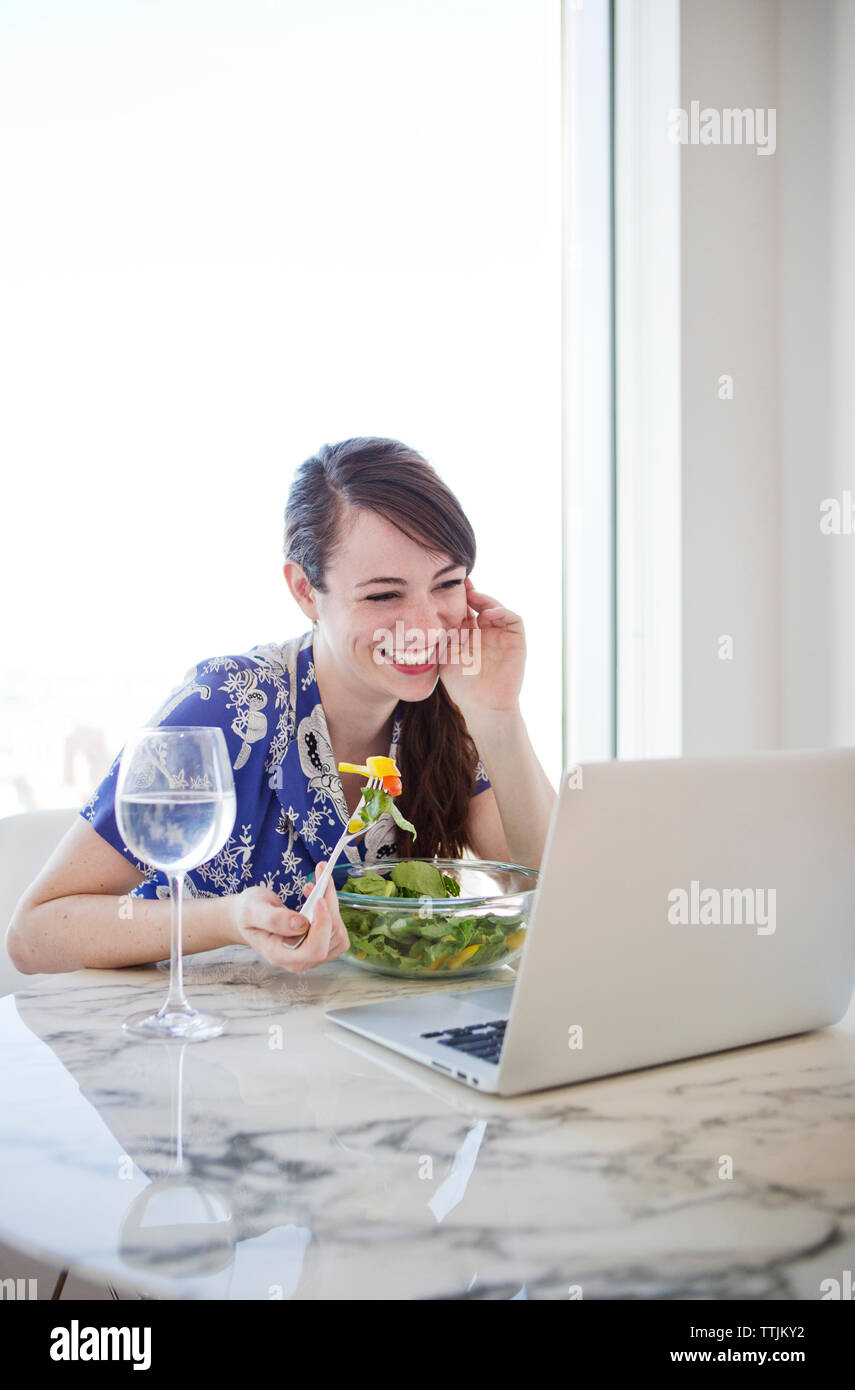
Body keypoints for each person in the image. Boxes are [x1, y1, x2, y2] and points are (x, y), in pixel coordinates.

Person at [7, 437, 556, 975]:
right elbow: (34, 936)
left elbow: (560, 903)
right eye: (383, 595)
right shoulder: (230, 705)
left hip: (351, 1042)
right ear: (304, 590)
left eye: (447, 584)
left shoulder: (452, 707)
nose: (424, 627)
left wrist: (499, 715)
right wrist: (227, 920)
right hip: (182, 1043)